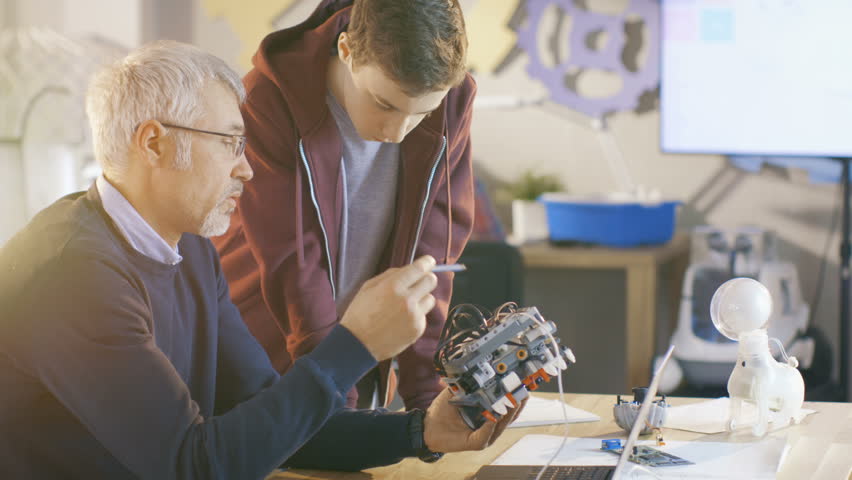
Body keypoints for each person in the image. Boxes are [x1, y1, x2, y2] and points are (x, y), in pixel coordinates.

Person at [0, 41, 521, 479]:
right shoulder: (72, 276)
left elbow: (275, 424)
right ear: (154, 144)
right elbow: (193, 466)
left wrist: (421, 430)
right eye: (230, 143)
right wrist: (355, 344)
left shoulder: (191, 250)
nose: (246, 170)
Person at [213, 0, 476, 410]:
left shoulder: (453, 102)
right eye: (384, 104)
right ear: (347, 51)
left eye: (421, 113)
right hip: (262, 363)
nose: (397, 132)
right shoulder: (267, 99)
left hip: (363, 371)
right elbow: (294, 268)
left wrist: (426, 393)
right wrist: (335, 401)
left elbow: (432, 259)